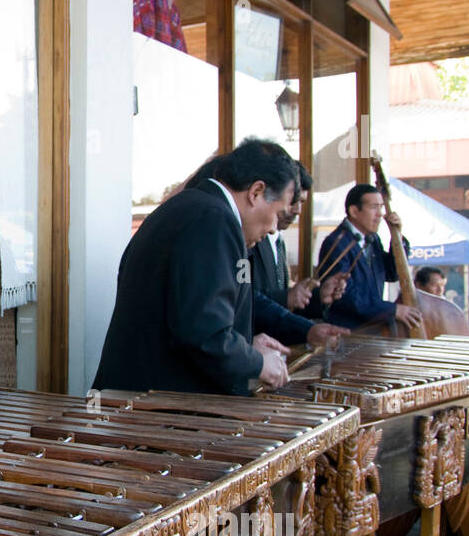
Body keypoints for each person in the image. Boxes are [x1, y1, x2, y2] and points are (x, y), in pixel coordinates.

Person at [93, 139, 299, 396]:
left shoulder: (186, 208)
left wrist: (248, 348)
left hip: (141, 400)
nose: (272, 229)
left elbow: (190, 317)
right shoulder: (214, 220)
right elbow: (204, 331)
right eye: (278, 214)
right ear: (256, 192)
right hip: (159, 411)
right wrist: (258, 363)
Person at [247, 159, 348, 348]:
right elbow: (244, 298)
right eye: (293, 201)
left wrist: (317, 298)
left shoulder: (278, 241)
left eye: (301, 202)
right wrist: (287, 297)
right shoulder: (249, 238)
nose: (297, 210)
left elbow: (281, 308)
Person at [314, 183, 422, 331]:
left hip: (371, 328)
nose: (380, 214)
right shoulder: (337, 243)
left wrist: (397, 236)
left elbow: (391, 273)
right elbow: (344, 297)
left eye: (381, 207)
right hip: (348, 333)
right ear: (354, 211)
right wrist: (392, 310)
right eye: (373, 207)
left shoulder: (372, 239)